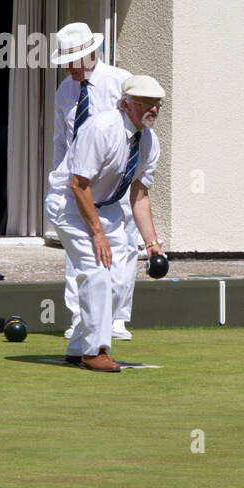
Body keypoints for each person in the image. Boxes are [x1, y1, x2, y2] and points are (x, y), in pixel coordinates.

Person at [48, 75, 166, 371]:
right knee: (97, 272)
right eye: (146, 104)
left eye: (157, 105)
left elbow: (139, 195)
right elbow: (78, 184)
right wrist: (97, 234)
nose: (153, 110)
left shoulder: (149, 142)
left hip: (108, 207)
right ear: (126, 105)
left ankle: (78, 346)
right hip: (70, 206)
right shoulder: (101, 129)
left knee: (120, 280)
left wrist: (152, 244)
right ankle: (95, 351)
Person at [43, 22, 139, 342]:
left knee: (122, 246)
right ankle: (80, 316)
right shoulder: (65, 90)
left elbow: (134, 132)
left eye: (73, 60)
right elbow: (62, 139)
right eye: (66, 61)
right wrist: (62, 179)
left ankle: (116, 318)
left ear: (91, 54)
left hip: (114, 180)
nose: (69, 68)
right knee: (78, 251)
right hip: (79, 181)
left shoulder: (120, 82)